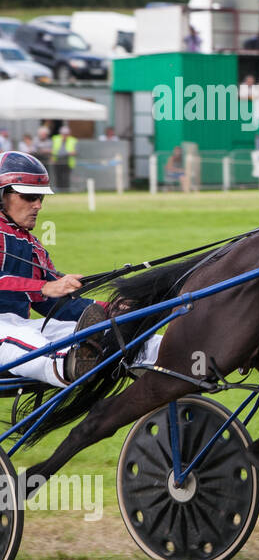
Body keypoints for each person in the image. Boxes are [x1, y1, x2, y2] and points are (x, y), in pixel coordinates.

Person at [0, 152, 159, 387]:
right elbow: (45, 289)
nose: (38, 205)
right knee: (33, 342)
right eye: (30, 196)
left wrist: (113, 309)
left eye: (41, 198)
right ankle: (72, 363)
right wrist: (45, 286)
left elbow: (56, 304)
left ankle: (171, 353)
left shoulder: (33, 246)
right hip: (9, 332)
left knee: (106, 333)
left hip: (20, 326)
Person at [50, 124, 76, 190]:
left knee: (66, 177)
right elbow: (52, 150)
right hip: (57, 161)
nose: (64, 136)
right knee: (58, 176)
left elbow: (74, 152)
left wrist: (63, 153)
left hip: (68, 161)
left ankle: (66, 190)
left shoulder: (73, 140)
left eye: (66, 134)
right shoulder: (55, 139)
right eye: (63, 134)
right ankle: (59, 190)